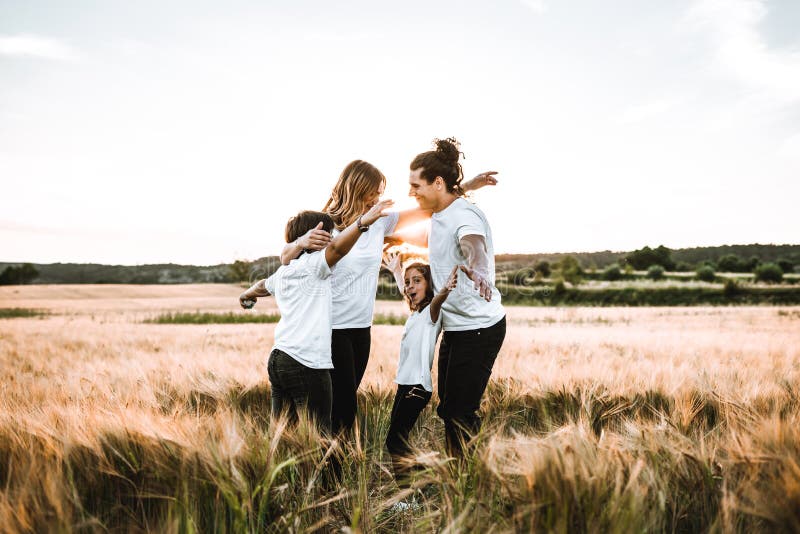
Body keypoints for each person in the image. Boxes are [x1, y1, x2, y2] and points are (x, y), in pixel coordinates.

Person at [280, 160, 497, 436]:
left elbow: (426, 207)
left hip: (360, 331)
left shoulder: (380, 223)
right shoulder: (325, 225)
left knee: (344, 408)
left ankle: (334, 470)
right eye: (375, 192)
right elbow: (286, 258)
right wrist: (298, 244)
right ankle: (331, 476)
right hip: (330, 329)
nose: (379, 199)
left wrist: (467, 186)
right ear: (359, 189)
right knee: (343, 412)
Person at [238, 200, 392, 433]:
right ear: (317, 236)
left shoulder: (286, 270)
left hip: (279, 358)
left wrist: (246, 295)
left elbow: (262, 285)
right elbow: (338, 250)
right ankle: (317, 471)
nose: (333, 238)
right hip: (307, 364)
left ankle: (274, 470)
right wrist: (362, 223)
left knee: (282, 435)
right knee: (319, 438)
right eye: (329, 234)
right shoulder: (315, 266)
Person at [407, 137, 506, 457]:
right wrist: (467, 185)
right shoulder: (442, 206)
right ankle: (460, 475)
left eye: (415, 185)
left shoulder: (465, 216)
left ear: (437, 183)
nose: (411, 192)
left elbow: (473, 243)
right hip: (457, 327)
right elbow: (451, 199)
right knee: (449, 408)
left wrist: (477, 268)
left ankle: (467, 481)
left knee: (459, 413)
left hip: (478, 329)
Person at [381, 250, 459, 486]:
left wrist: (445, 287)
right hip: (405, 385)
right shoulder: (415, 314)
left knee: (395, 441)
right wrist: (397, 272)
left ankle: (412, 491)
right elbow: (407, 292)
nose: (410, 286)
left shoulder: (431, 314)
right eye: (408, 282)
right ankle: (429, 477)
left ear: (429, 284)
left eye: (417, 280)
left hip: (417, 386)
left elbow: (437, 300)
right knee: (396, 440)